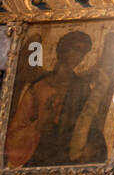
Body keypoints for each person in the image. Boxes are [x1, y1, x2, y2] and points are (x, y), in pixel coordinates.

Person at [5, 31, 94, 167]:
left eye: (83, 52)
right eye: (76, 49)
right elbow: (16, 131)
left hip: (68, 160)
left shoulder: (82, 88)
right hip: (36, 159)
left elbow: (90, 125)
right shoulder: (38, 87)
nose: (79, 56)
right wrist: (39, 126)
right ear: (63, 48)